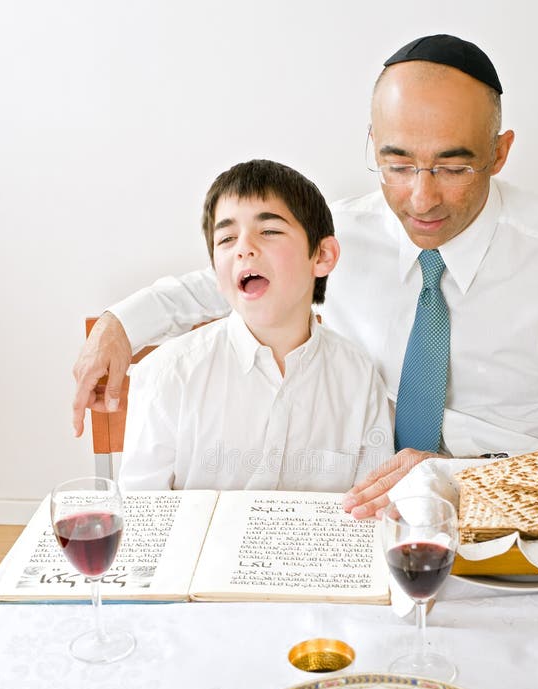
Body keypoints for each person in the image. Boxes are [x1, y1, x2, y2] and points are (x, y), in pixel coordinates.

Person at [73, 34, 538, 514]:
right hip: (360, 514)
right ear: (372, 145)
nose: (421, 198)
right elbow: (239, 275)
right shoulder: (339, 234)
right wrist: (122, 324)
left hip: (514, 524)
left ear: (499, 153)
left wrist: (459, 476)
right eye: (397, 165)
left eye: (452, 166)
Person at [118, 159, 393, 491]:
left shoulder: (359, 379)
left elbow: (371, 510)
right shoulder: (167, 374)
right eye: (226, 239)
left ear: (321, 256)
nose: (244, 248)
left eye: (269, 231)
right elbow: (141, 520)